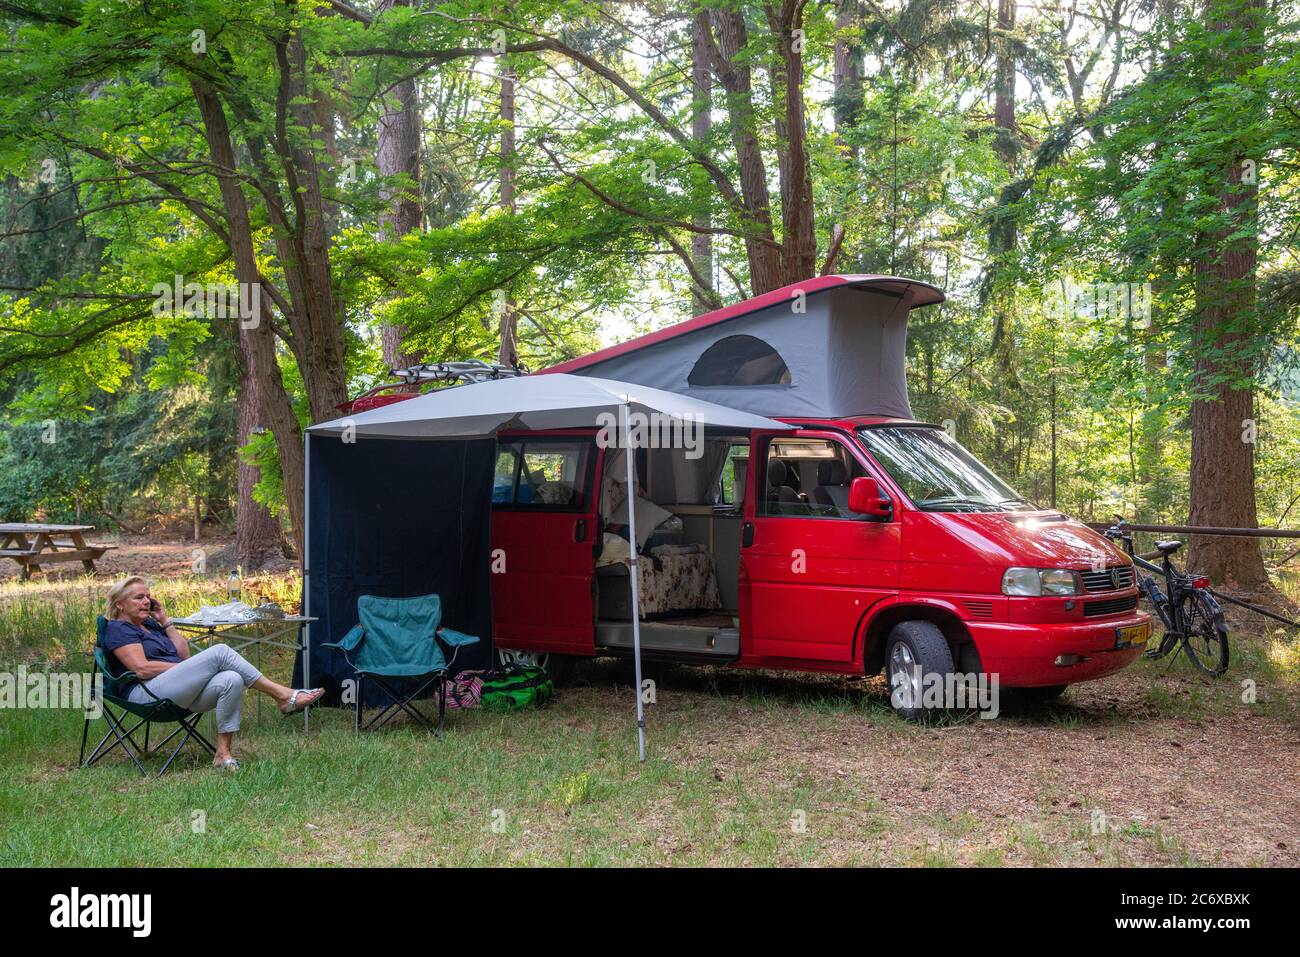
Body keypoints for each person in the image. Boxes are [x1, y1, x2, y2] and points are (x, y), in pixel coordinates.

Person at [101, 576, 323, 771]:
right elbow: (142, 668)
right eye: (139, 597)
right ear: (120, 604)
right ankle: (283, 696)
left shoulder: (150, 625)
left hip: (174, 690)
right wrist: (185, 669)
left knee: (232, 679)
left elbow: (184, 655)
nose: (146, 601)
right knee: (220, 652)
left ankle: (222, 754)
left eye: (148, 596)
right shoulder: (118, 629)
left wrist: (165, 621)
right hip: (146, 694)